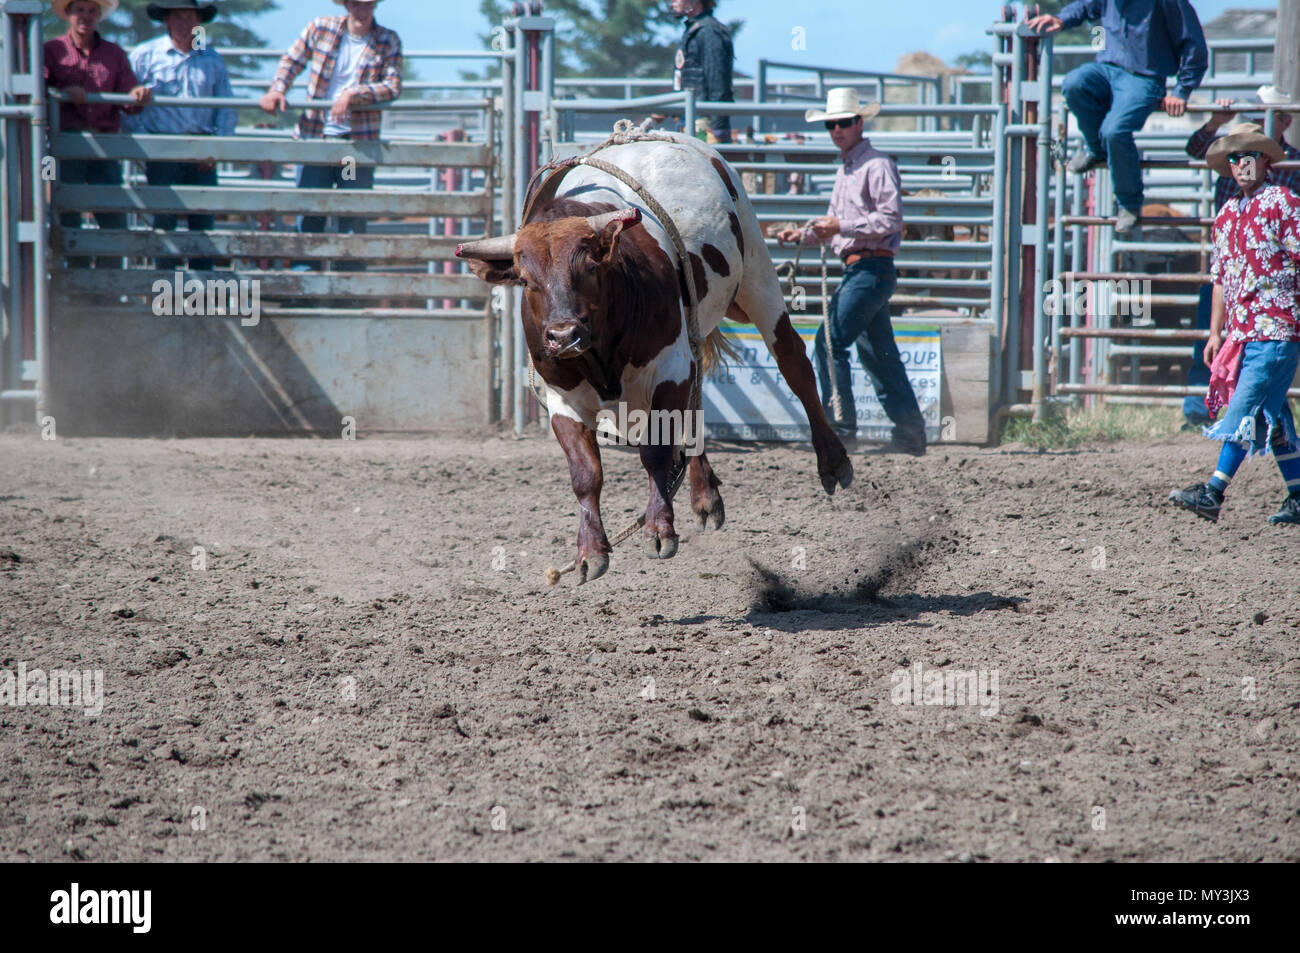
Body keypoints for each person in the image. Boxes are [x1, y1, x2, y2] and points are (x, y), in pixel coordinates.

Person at [776, 87, 927, 456]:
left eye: (844, 123)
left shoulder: (876, 165)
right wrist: (804, 234)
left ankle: (841, 428)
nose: (837, 129)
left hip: (871, 267)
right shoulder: (848, 168)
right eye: (832, 124)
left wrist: (839, 227)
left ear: (859, 123)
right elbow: (834, 225)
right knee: (878, 353)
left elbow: (890, 220)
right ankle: (910, 433)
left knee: (830, 341)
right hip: (863, 269)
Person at [1168, 124, 1300, 526]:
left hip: (1276, 327)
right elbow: (1221, 279)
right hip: (1247, 333)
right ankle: (1298, 496)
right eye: (1233, 158)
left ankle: (1213, 492)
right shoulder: (1226, 216)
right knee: (1273, 417)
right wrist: (1215, 332)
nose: (1241, 164)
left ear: (1265, 161)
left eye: (1249, 156)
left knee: (1244, 408)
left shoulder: (1284, 201)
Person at [1028, 0, 1208, 235]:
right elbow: (1084, 6)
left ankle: (1129, 203)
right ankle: (1096, 148)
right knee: (1074, 83)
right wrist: (1062, 19)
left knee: (1115, 131)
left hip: (1144, 78)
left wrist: (1182, 91)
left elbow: (1194, 44)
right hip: (1107, 69)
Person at [1180, 87, 1300, 428]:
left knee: (1258, 382)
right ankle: (1199, 409)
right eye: (1257, 114)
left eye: (1271, 114)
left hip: (1269, 295)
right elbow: (1195, 149)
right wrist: (1215, 124)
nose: (1243, 163)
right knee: (1211, 339)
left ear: (1284, 120)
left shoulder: (1286, 181)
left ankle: (1217, 478)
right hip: (1231, 273)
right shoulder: (1231, 202)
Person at [259, 0, 402, 272]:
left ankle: (347, 290)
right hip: (316, 138)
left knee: (352, 215)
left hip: (354, 146)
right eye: (357, 2)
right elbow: (292, 60)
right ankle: (305, 288)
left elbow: (392, 86)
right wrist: (278, 89)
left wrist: (354, 93)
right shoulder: (320, 28)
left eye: (368, 2)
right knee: (310, 212)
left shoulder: (387, 40)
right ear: (346, 4)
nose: (362, 8)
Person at [127, 0, 237, 273]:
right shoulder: (145, 56)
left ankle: (200, 287)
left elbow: (226, 110)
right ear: (166, 20)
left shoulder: (212, 60)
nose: (184, 23)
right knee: (164, 222)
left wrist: (216, 148)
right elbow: (126, 105)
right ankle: (164, 283)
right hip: (161, 147)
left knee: (202, 224)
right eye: (177, 16)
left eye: (189, 16)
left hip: (201, 148)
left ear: (198, 20)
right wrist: (145, 145)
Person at [43, 0, 151, 269]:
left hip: (104, 144)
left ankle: (106, 285)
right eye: (80, 9)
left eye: (92, 11)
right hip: (66, 143)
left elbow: (128, 97)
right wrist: (63, 93)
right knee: (67, 215)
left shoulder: (114, 54)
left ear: (98, 16)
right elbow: (39, 92)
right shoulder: (52, 51)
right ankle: (73, 282)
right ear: (69, 13)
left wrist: (137, 94)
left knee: (112, 215)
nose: (85, 16)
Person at [671, 0, 733, 145]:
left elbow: (718, 80)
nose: (672, 2)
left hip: (703, 122)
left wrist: (718, 129)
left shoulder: (708, 31)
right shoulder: (693, 30)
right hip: (689, 117)